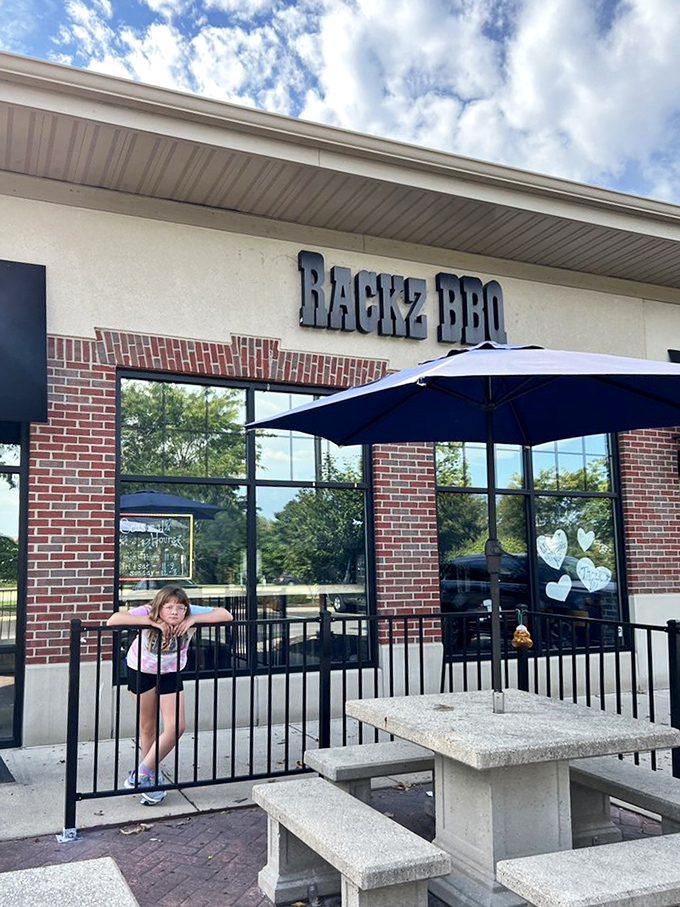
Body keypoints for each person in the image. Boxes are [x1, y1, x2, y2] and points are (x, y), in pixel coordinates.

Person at [107, 584, 233, 805]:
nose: (174, 612)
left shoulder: (190, 613)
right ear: (159, 607)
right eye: (168, 607)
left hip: (170, 672)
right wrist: (150, 621)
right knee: (148, 726)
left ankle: (142, 772)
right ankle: (150, 781)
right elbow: (113, 620)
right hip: (141, 670)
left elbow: (226, 614)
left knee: (177, 726)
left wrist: (193, 620)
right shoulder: (148, 611)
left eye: (179, 607)